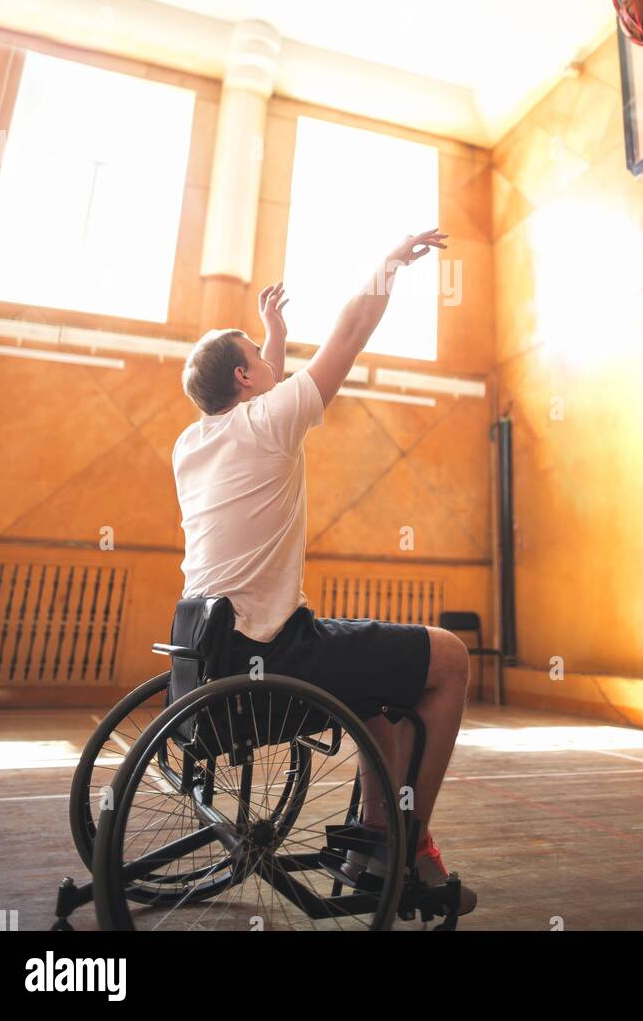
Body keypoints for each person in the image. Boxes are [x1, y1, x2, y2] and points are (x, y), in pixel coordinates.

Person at [172, 228, 476, 915]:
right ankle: (408, 839)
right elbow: (352, 328)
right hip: (273, 652)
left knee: (374, 688)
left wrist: (270, 332)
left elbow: (256, 397)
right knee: (449, 658)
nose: (269, 359)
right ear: (247, 380)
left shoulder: (193, 443)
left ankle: (375, 822)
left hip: (216, 650)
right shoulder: (270, 423)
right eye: (258, 356)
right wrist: (389, 263)